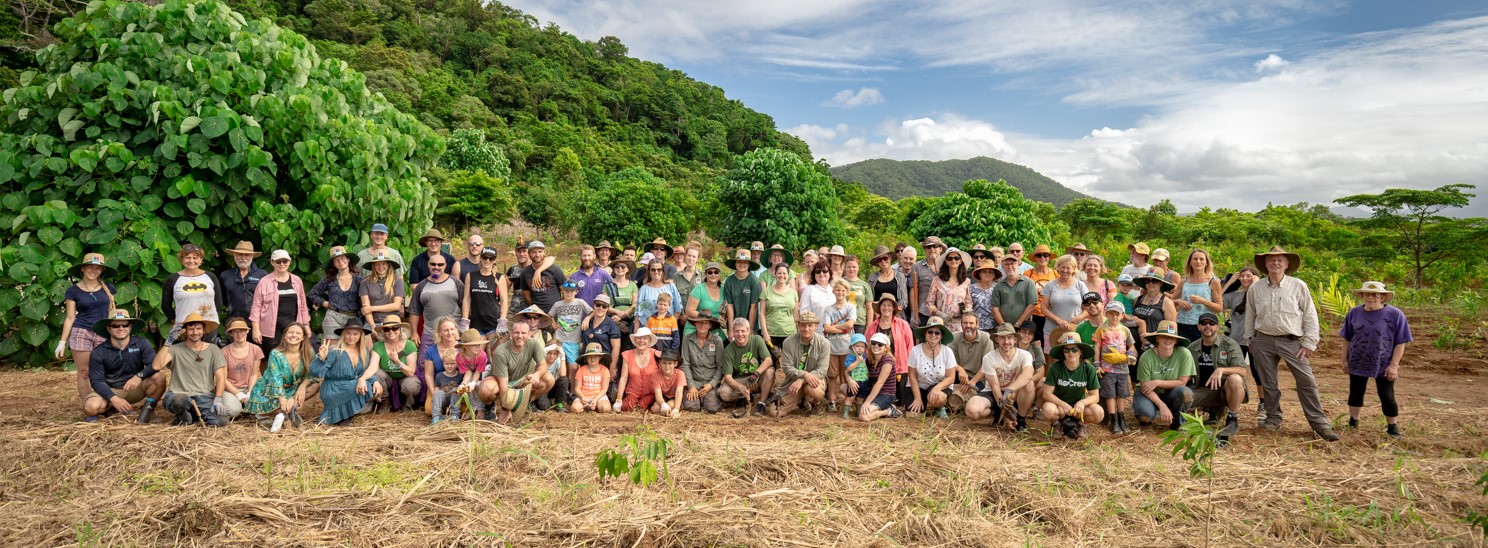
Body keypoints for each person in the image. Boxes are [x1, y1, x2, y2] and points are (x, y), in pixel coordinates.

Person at [1246, 246, 1338, 441]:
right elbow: (1250, 315)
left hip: (1291, 341)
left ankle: (1319, 423)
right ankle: (1273, 419)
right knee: (1268, 383)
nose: (1275, 263)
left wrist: (1310, 342)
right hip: (1262, 339)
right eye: (1271, 260)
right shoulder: (1256, 288)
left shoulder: (1298, 286)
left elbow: (1310, 314)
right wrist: (1250, 340)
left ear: (1287, 264)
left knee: (1306, 381)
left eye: (1280, 260)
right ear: (1265, 264)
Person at [1340, 281, 1412, 439]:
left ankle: (1392, 426)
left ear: (1383, 297)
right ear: (1362, 296)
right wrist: (1344, 359)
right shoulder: (1354, 313)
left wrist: (1394, 365)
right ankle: (1354, 421)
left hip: (1384, 362)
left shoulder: (1395, 315)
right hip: (1358, 360)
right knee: (1356, 392)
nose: (1371, 297)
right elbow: (1347, 338)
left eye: (1376, 294)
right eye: (1367, 294)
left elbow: (1401, 342)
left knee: (1386, 395)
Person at [82, 310, 164, 423]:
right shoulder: (98, 351)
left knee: (159, 378)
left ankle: (148, 409)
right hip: (111, 389)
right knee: (91, 407)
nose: (121, 328)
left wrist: (139, 376)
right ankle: (111, 408)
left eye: (124, 325)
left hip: (136, 387)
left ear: (130, 327)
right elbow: (96, 381)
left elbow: (155, 365)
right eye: (116, 325)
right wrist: (114, 398)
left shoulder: (141, 343)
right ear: (108, 328)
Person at [150, 313, 228, 426]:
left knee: (221, 421)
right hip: (178, 394)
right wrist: (168, 342)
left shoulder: (213, 349)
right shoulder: (175, 349)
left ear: (204, 330)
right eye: (191, 329)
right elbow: (156, 366)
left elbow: (221, 377)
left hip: (204, 396)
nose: (195, 332)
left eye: (198, 328)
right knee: (181, 401)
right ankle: (183, 415)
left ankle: (189, 418)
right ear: (185, 331)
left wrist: (218, 399)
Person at [60, 253, 117, 399]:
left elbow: (112, 312)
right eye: (90, 267)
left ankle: (105, 401)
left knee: (105, 369)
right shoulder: (73, 291)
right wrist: (62, 342)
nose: (94, 270)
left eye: (98, 268)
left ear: (102, 270)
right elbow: (70, 317)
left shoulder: (108, 288)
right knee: (84, 371)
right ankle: (89, 404)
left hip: (103, 332)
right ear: (83, 268)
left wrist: (116, 332)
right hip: (82, 331)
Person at [1188, 312, 1250, 444]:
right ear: (1198, 326)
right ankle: (1213, 409)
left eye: (1211, 323)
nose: (1207, 326)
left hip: (1226, 390)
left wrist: (1222, 369)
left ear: (1217, 326)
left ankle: (1232, 418)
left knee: (1235, 378)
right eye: (1204, 323)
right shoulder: (1192, 348)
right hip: (1203, 390)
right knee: (1180, 398)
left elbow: (1242, 371)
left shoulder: (1229, 344)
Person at [310, 318, 384, 424]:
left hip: (349, 386)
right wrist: (321, 358)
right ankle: (341, 416)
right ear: (343, 335)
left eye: (355, 334)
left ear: (361, 336)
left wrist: (375, 381)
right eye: (348, 333)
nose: (351, 337)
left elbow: (365, 370)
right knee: (366, 386)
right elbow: (315, 373)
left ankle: (345, 415)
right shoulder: (334, 351)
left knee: (370, 386)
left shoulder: (364, 352)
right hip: (333, 388)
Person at [479, 320, 554, 424]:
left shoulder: (533, 344)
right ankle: (489, 406)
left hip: (522, 380)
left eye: (523, 333)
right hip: (501, 381)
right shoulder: (501, 352)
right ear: (511, 334)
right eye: (516, 332)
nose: (520, 336)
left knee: (549, 380)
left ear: (529, 334)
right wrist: (506, 409)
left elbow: (543, 364)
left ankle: (525, 404)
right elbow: (503, 384)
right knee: (486, 389)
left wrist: (537, 374)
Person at [244, 322, 317, 428]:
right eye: (290, 332)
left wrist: (302, 387)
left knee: (315, 386)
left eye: (298, 333)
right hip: (271, 390)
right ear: (285, 335)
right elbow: (275, 380)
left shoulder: (308, 352)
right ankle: (270, 413)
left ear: (303, 337)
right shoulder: (276, 354)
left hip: (293, 389)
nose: (294, 335)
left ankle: (287, 410)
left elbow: (311, 374)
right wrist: (284, 402)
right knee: (284, 406)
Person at [965, 323, 1034, 431]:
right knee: (971, 411)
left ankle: (1020, 421)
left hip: (1015, 392)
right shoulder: (989, 357)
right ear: (997, 339)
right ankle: (997, 411)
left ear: (1015, 339)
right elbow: (994, 386)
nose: (1006, 342)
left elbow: (1028, 373)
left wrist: (1010, 389)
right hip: (994, 392)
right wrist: (1003, 407)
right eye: (1002, 338)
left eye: (1009, 338)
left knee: (1029, 384)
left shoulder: (1024, 355)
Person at [1133, 320, 1195, 430]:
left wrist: (1158, 382)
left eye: (1171, 337)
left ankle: (1177, 423)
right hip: (1148, 393)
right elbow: (1145, 387)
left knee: (1185, 392)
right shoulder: (1146, 357)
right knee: (1145, 416)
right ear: (1157, 338)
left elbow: (1182, 382)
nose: (1168, 340)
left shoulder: (1184, 353)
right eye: (1163, 336)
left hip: (1171, 393)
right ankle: (1151, 412)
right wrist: (1161, 405)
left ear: (1176, 340)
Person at [1041, 332, 1104, 439]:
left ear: (1080, 351)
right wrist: (1063, 405)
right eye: (1066, 350)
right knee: (1048, 410)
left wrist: (1082, 402)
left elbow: (1095, 396)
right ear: (1063, 353)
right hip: (1059, 408)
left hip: (1078, 410)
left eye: (1074, 349)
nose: (1071, 353)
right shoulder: (1055, 368)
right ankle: (1056, 424)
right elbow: (1046, 394)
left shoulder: (1089, 369)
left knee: (1098, 413)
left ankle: (1082, 425)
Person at [249, 249, 309, 355]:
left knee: (293, 357)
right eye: (278, 261)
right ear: (272, 262)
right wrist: (256, 329)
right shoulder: (264, 282)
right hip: (271, 330)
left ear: (289, 262)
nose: (282, 264)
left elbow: (303, 305)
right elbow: (256, 307)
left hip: (293, 329)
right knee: (273, 359)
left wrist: (306, 325)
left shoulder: (297, 281)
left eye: (285, 261)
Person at [162, 244, 224, 345]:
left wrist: (209, 323)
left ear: (201, 260)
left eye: (195, 258)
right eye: (188, 257)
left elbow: (218, 302)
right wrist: (177, 323)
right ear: (182, 259)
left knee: (207, 355)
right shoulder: (173, 279)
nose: (191, 261)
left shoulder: (210, 277)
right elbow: (165, 305)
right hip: (184, 327)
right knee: (185, 356)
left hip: (209, 326)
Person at [771, 312, 830, 416]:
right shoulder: (788, 342)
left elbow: (822, 370)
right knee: (775, 412)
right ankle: (800, 401)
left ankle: (817, 403)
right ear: (798, 325)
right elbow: (787, 367)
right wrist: (804, 375)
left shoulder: (824, 343)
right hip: (792, 382)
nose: (806, 328)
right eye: (803, 325)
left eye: (810, 325)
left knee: (813, 390)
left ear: (816, 326)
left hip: (815, 380)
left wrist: (802, 378)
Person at [717, 318, 777, 416]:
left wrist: (756, 373)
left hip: (756, 376)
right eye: (737, 331)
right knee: (724, 393)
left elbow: (768, 360)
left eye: (743, 331)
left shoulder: (757, 339)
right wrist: (739, 387)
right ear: (733, 332)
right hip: (741, 379)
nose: (740, 334)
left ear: (748, 331)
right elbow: (727, 377)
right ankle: (744, 397)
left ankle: (761, 403)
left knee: (770, 372)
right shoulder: (728, 350)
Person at [864, 293, 915, 408]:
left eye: (889, 305)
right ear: (880, 308)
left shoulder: (903, 324)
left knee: (900, 402)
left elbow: (910, 346)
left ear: (893, 308)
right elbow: (867, 347)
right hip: (877, 368)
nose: (886, 308)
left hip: (899, 367)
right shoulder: (872, 326)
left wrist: (909, 366)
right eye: (883, 305)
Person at [1094, 302, 1138, 434]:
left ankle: (1121, 418)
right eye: (1111, 313)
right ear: (1106, 314)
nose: (1114, 316)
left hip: (1123, 369)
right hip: (1107, 369)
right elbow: (1097, 347)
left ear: (1122, 315)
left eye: (1117, 314)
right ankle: (1113, 419)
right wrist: (1097, 365)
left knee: (1122, 394)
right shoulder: (1101, 329)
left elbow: (1131, 346)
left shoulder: (1125, 330)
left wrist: (1130, 355)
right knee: (1110, 394)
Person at [905, 315, 960, 418]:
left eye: (937, 332)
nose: (933, 335)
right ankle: (923, 402)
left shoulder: (947, 351)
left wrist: (937, 388)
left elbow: (951, 377)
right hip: (919, 385)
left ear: (941, 335)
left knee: (938, 397)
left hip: (940, 384)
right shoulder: (915, 350)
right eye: (930, 332)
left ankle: (939, 407)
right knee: (913, 415)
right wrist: (917, 398)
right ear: (925, 333)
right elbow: (912, 375)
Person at [409, 253, 465, 350]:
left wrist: (464, 329)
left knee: (455, 363)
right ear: (428, 265)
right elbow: (414, 311)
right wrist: (414, 333)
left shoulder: (456, 283)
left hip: (453, 334)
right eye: (433, 264)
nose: (436, 267)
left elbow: (465, 306)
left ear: (445, 266)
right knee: (423, 364)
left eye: (440, 264)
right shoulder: (421, 286)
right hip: (430, 335)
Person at [308, 246, 362, 341]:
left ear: (348, 259)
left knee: (351, 347)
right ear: (333, 264)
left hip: (352, 318)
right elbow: (312, 293)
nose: (340, 262)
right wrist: (324, 303)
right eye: (336, 260)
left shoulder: (359, 280)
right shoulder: (330, 279)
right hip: (333, 316)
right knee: (332, 348)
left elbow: (366, 297)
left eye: (342, 258)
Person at [371, 315, 421, 411]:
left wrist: (397, 361)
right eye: (386, 329)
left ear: (401, 329)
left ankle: (408, 404)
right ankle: (385, 401)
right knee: (377, 374)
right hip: (387, 378)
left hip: (405, 376)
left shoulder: (409, 345)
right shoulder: (378, 346)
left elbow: (410, 372)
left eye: (395, 328)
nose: (391, 332)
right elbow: (374, 368)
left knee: (412, 385)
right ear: (383, 332)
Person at [218, 319, 264, 420]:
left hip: (249, 387)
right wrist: (238, 394)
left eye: (242, 330)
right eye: (235, 331)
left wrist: (250, 392)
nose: (239, 334)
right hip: (231, 389)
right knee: (234, 411)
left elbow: (254, 374)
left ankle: (248, 407)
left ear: (247, 331)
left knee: (263, 405)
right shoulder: (224, 352)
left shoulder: (256, 350)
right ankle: (240, 406)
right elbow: (223, 379)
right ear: (231, 333)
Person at [822, 279, 857, 410]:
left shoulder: (850, 307)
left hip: (847, 345)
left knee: (846, 373)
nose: (840, 292)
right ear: (833, 291)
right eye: (838, 290)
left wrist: (833, 326)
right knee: (832, 374)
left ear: (847, 292)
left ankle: (845, 399)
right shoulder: (828, 309)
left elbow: (850, 325)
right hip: (832, 346)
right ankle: (831, 399)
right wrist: (840, 328)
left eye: (843, 290)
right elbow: (826, 328)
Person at [1175, 249, 1224, 343]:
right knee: (1184, 354)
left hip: (1204, 326)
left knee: (1201, 355)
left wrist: (1203, 301)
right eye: (1195, 259)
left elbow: (1219, 308)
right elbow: (1169, 302)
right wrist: (1178, 302)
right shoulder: (1184, 281)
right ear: (1190, 262)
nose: (1198, 261)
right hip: (1182, 325)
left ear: (1206, 263)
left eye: (1201, 259)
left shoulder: (1213, 282)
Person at [681, 310, 724, 413]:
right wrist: (691, 386)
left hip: (710, 382)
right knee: (691, 407)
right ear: (695, 323)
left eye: (706, 323)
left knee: (711, 408)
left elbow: (721, 366)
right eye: (700, 322)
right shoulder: (687, 340)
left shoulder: (717, 341)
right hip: (694, 381)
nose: (702, 325)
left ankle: (707, 398)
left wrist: (711, 385)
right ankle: (697, 399)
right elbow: (685, 365)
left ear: (710, 325)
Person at [462, 246, 511, 338]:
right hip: (476, 323)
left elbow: (504, 301)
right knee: (476, 351)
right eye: (485, 257)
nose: (487, 260)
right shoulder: (471, 276)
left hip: (494, 323)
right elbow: (467, 299)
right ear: (480, 258)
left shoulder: (499, 278)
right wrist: (464, 321)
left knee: (493, 351)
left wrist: (502, 321)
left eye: (491, 258)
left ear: (494, 260)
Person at [949, 311, 993, 411]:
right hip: (958, 375)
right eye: (965, 323)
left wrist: (972, 382)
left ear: (977, 324)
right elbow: (948, 360)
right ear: (961, 324)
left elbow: (986, 365)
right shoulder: (954, 338)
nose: (968, 326)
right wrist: (960, 369)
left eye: (971, 323)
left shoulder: (986, 338)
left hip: (977, 377)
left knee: (976, 397)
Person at [580, 294, 623, 394]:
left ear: (608, 308)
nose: (601, 308)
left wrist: (612, 368)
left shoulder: (611, 324)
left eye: (604, 306)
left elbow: (616, 347)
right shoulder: (587, 322)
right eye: (598, 305)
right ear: (594, 305)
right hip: (587, 363)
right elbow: (582, 343)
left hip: (604, 364)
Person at [856, 332, 904, 421]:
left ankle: (888, 411)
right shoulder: (870, 360)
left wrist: (867, 402)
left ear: (886, 348)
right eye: (873, 343)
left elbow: (880, 383)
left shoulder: (888, 361)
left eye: (880, 344)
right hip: (873, 391)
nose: (876, 346)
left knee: (863, 417)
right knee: (844, 388)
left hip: (886, 394)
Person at [549, 281, 594, 373]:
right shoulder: (558, 304)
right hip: (559, 339)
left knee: (573, 367)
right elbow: (550, 315)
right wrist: (553, 323)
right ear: (563, 291)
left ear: (576, 292)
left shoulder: (580, 302)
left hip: (573, 341)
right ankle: (561, 385)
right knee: (559, 366)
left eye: (571, 291)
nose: (569, 293)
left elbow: (593, 312)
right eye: (566, 291)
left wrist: (587, 318)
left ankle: (573, 387)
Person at [359, 253, 406, 339]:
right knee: (367, 346)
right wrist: (373, 326)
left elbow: (396, 306)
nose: (380, 267)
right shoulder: (365, 282)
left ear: (388, 265)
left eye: (383, 264)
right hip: (372, 322)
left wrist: (373, 308)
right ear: (373, 266)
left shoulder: (397, 280)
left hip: (392, 322)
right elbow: (366, 308)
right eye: (377, 264)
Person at [927, 247, 972, 334]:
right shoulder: (937, 280)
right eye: (950, 258)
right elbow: (929, 303)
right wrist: (939, 313)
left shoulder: (966, 281)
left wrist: (966, 311)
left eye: (956, 258)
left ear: (960, 261)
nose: (953, 260)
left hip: (959, 324)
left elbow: (968, 302)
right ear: (946, 261)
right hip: (941, 323)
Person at [421, 318, 461, 415]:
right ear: (439, 332)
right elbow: (429, 375)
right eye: (445, 330)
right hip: (438, 386)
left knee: (463, 410)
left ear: (456, 330)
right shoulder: (431, 350)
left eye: (452, 329)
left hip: (457, 387)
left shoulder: (462, 348)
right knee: (430, 411)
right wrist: (434, 394)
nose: (449, 332)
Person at [219, 241, 266, 322]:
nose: (243, 258)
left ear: (252, 256)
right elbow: (223, 298)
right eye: (240, 254)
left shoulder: (262, 275)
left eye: (247, 255)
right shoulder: (225, 275)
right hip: (233, 322)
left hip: (257, 322)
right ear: (234, 256)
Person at [617, 327, 662, 412]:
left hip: (651, 393)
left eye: (645, 338)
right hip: (632, 393)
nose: (641, 341)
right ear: (635, 340)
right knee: (627, 406)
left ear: (649, 341)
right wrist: (618, 400)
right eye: (639, 338)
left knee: (643, 406)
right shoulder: (627, 355)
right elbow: (623, 378)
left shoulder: (657, 355)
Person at [991, 254, 1037, 330]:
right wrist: (1005, 326)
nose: (1009, 266)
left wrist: (1019, 323)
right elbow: (995, 309)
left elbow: (1032, 305)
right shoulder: (998, 286)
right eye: (1006, 264)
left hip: (1024, 327)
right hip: (1005, 329)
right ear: (1002, 267)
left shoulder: (1028, 283)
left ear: (1018, 264)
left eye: (1012, 263)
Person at [722, 250, 763, 333]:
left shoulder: (754, 281)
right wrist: (730, 329)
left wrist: (750, 330)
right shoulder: (729, 281)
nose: (742, 264)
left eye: (745, 262)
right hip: (734, 324)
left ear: (749, 264)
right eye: (739, 262)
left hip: (749, 323)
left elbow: (754, 306)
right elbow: (729, 306)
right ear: (735, 263)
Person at [635, 257, 682, 331]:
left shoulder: (671, 286)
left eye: (659, 269)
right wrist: (636, 332)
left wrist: (671, 326)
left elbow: (678, 309)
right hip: (647, 329)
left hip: (667, 329)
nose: (656, 272)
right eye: (653, 269)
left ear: (663, 271)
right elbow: (638, 312)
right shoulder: (644, 289)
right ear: (649, 271)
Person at [1132, 271, 1178, 347]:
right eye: (1147, 281)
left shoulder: (1167, 303)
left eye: (1155, 281)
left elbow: (1172, 329)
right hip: (1134, 343)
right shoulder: (1137, 300)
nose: (1150, 283)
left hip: (1154, 344)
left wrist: (1151, 335)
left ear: (1161, 283)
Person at [758, 263, 799, 348]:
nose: (782, 275)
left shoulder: (793, 293)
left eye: (784, 273)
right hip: (771, 333)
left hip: (790, 333)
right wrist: (765, 333)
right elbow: (762, 313)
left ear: (788, 275)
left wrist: (798, 332)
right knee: (772, 360)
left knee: (789, 360)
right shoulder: (766, 291)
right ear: (775, 274)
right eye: (779, 273)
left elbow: (796, 315)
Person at [1024, 245, 1059, 343]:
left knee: (1050, 341)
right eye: (1039, 255)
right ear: (1035, 258)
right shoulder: (1028, 274)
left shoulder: (1056, 274)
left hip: (1051, 313)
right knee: (1035, 341)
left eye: (1045, 255)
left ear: (1049, 258)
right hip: (1034, 313)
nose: (1042, 258)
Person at [521, 240, 566, 316]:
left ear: (544, 252)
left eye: (540, 251)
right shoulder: (525, 273)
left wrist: (559, 306)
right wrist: (535, 309)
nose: (537, 255)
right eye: (534, 252)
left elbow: (565, 290)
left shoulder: (555, 269)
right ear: (529, 254)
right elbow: (526, 295)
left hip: (555, 313)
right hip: (536, 315)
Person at [866, 246, 908, 325]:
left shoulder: (900, 276)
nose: (883, 261)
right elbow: (869, 299)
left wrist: (891, 314)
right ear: (877, 263)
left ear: (890, 258)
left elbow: (903, 300)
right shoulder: (872, 277)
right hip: (877, 317)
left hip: (897, 317)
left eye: (885, 258)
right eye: (879, 260)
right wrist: (877, 314)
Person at [683, 262, 725, 337]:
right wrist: (709, 318)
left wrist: (722, 319)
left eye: (716, 272)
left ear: (719, 274)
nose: (713, 275)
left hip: (715, 327)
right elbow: (689, 311)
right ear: (705, 274)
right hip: (695, 326)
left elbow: (724, 311)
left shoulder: (724, 290)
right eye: (710, 272)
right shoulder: (698, 289)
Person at [912, 237, 946, 326]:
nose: (932, 249)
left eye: (935, 246)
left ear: (941, 249)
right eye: (928, 247)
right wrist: (913, 313)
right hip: (924, 313)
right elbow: (913, 291)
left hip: (944, 313)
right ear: (924, 249)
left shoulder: (947, 266)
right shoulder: (917, 267)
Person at [572, 343, 614, 413]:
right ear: (586, 357)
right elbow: (577, 388)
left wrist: (596, 399)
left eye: (595, 356)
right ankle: (587, 406)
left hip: (599, 396)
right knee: (575, 409)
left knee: (605, 409)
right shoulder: (581, 369)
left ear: (600, 357)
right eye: (590, 356)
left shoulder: (604, 370)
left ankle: (594, 406)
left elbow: (604, 388)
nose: (592, 358)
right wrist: (582, 397)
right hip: (584, 396)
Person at [606, 258, 639, 342]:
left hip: (628, 321)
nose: (620, 268)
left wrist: (621, 315)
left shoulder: (632, 285)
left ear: (627, 269)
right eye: (617, 266)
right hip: (612, 319)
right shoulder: (608, 285)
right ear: (613, 269)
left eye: (623, 266)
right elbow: (605, 304)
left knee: (626, 347)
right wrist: (617, 313)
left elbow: (635, 305)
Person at [799, 263, 835, 335]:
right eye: (818, 271)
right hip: (816, 333)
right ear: (814, 275)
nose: (821, 273)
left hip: (835, 332)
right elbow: (804, 313)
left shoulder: (835, 289)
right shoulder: (809, 290)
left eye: (825, 271)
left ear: (830, 273)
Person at [969, 258, 1003, 332]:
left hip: (994, 328)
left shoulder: (999, 288)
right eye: (984, 272)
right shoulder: (971, 288)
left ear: (994, 275)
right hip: (975, 327)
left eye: (990, 272)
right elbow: (968, 307)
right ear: (980, 274)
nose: (987, 274)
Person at [651, 349, 687, 418]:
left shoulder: (680, 374)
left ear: (675, 364)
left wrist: (676, 409)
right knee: (655, 409)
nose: (667, 366)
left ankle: (675, 408)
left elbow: (679, 393)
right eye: (664, 363)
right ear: (660, 363)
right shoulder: (656, 375)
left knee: (670, 405)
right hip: (663, 397)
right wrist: (663, 404)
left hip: (674, 397)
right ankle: (666, 409)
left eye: (670, 363)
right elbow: (658, 394)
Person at [840, 333, 869, 417]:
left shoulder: (864, 356)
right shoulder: (850, 357)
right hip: (854, 381)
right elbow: (848, 368)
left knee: (860, 398)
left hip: (863, 380)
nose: (860, 348)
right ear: (852, 347)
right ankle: (845, 412)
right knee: (851, 397)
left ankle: (858, 412)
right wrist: (857, 361)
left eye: (862, 346)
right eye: (857, 346)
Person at [843, 255, 872, 335]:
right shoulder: (839, 282)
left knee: (858, 346)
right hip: (842, 321)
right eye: (849, 267)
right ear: (844, 268)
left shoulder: (864, 285)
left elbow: (869, 308)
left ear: (858, 268)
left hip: (859, 322)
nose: (851, 269)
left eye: (854, 267)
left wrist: (869, 326)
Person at [507, 241, 532, 316]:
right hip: (515, 311)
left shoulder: (535, 268)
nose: (521, 254)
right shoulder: (512, 269)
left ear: (529, 252)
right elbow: (505, 291)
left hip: (532, 311)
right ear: (515, 252)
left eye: (524, 251)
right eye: (519, 251)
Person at [896, 246, 920, 322]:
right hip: (898, 314)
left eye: (911, 259)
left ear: (915, 260)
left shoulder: (919, 275)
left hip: (916, 313)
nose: (908, 261)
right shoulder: (894, 274)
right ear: (901, 258)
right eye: (905, 258)